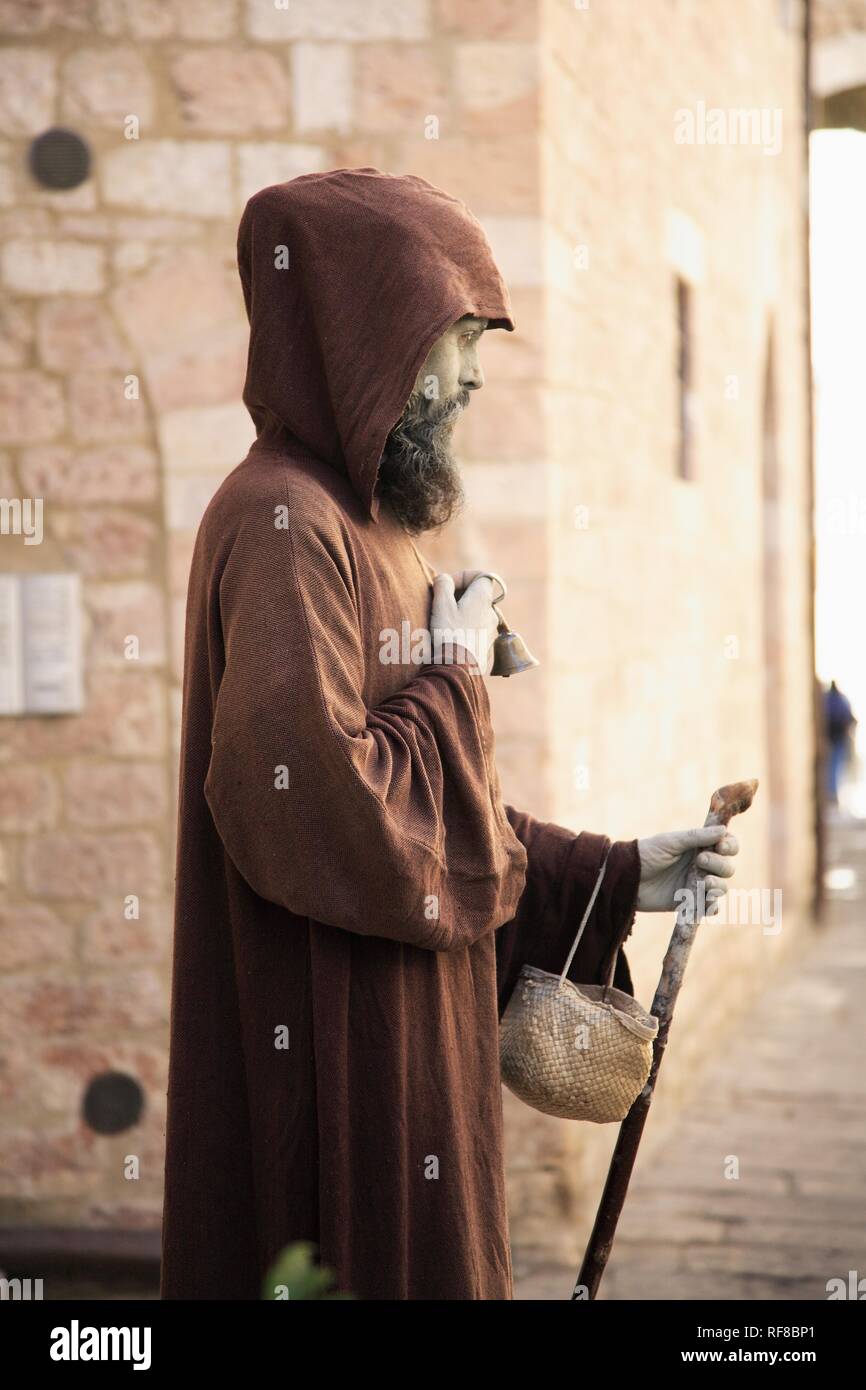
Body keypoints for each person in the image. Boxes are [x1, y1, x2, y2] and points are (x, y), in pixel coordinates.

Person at [160, 168, 739, 1301]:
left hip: (415, 1051)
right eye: (456, 336)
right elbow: (326, 804)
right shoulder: (279, 521)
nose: (472, 371)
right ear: (369, 331)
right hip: (340, 1065)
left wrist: (613, 871)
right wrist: (456, 669)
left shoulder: (373, 525)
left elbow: (435, 808)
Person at [824, 679, 857, 804]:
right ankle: (833, 793)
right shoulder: (842, 700)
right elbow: (850, 718)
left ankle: (832, 792)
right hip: (838, 739)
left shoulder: (826, 700)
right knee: (836, 766)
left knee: (832, 766)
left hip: (831, 738)